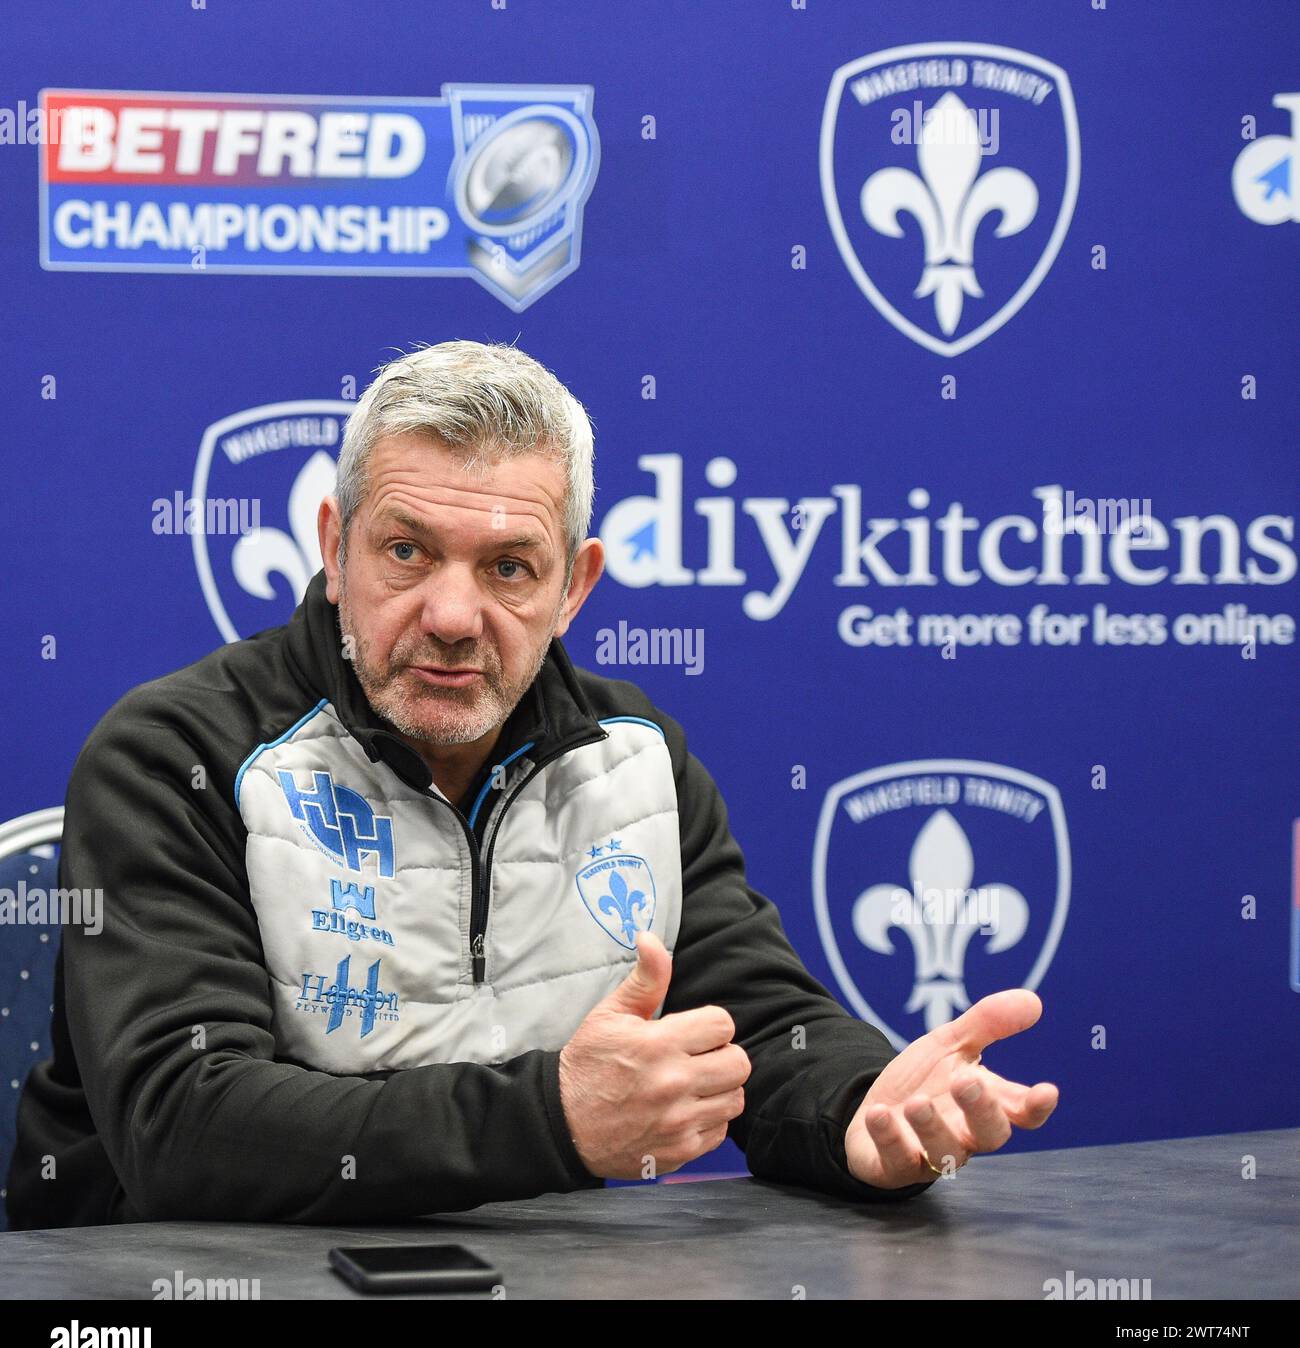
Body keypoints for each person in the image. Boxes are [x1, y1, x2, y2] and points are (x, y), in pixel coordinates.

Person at [6, 340, 1058, 1228]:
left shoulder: (633, 756)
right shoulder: (173, 755)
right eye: (407, 551)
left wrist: (860, 1106)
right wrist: (553, 1118)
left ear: (574, 586)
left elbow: (758, 1026)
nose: (454, 615)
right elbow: (184, 1126)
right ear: (335, 548)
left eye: (509, 566)